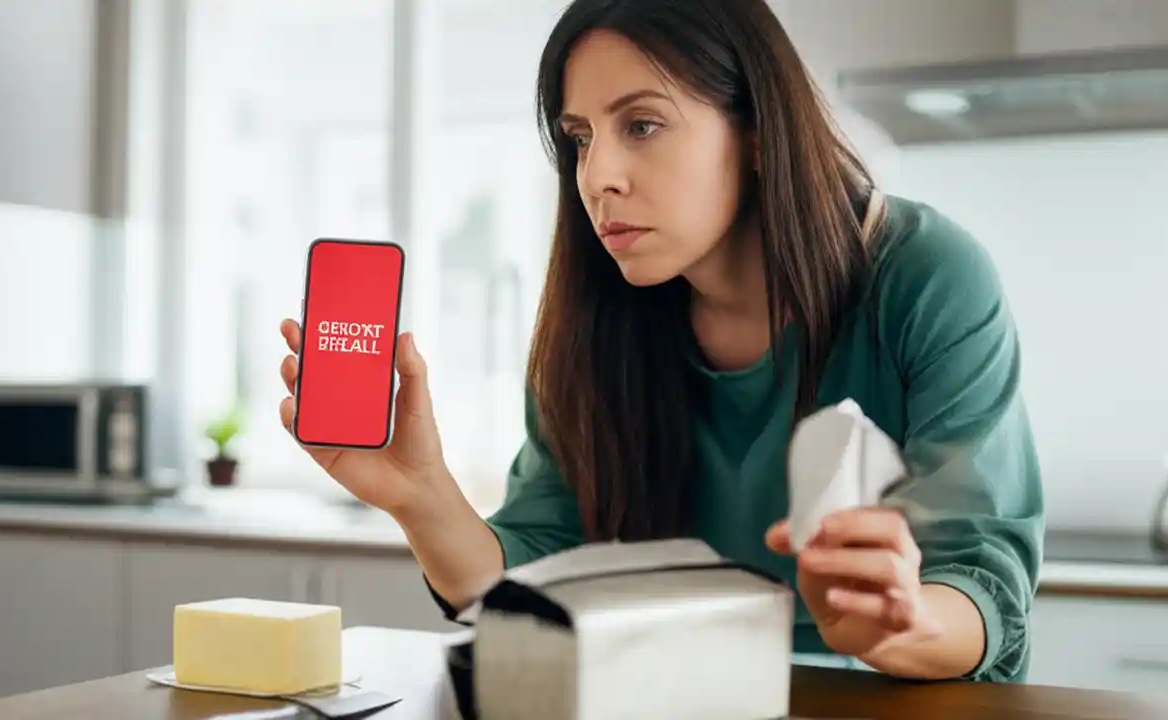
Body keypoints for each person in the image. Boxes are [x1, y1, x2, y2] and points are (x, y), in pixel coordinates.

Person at [278, 0, 1043, 683]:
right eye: (580, 138)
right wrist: (421, 498)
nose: (597, 176)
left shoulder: (927, 275)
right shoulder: (595, 319)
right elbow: (530, 583)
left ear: (756, 130)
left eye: (641, 125)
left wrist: (896, 620)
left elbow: (982, 581)